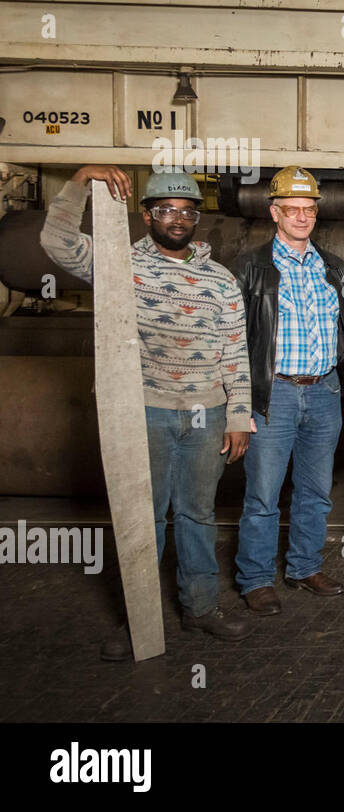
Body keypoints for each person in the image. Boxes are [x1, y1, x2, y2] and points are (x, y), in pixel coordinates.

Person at [40, 164, 254, 659]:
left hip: (207, 416)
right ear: (146, 215)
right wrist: (77, 182)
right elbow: (56, 243)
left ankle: (200, 609)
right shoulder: (117, 265)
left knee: (197, 515)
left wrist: (239, 416)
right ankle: (139, 621)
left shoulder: (221, 280)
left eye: (186, 211)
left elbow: (234, 351)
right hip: (145, 412)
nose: (177, 219)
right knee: (145, 517)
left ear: (196, 218)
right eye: (166, 211)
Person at [231, 165, 344, 616]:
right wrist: (239, 406)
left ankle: (304, 566)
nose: (301, 216)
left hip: (325, 391)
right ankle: (254, 578)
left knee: (315, 489)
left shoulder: (336, 269)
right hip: (275, 395)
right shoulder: (250, 268)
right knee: (264, 493)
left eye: (309, 209)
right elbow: (231, 340)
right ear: (274, 212)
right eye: (292, 209)